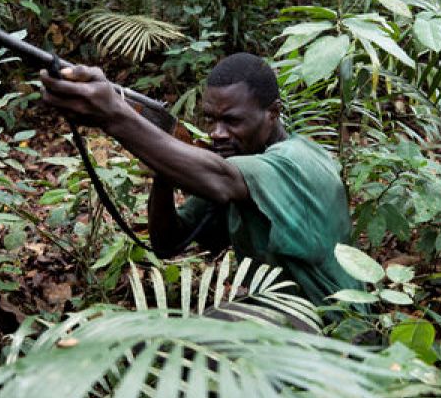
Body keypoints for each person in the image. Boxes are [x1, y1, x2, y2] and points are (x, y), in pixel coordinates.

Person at [39, 52, 361, 308]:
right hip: (285, 313)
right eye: (211, 119)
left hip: (335, 321)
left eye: (232, 121)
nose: (217, 134)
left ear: (273, 113)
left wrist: (113, 113)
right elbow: (167, 243)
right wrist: (163, 168)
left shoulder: (296, 160)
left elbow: (220, 179)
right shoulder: (240, 169)